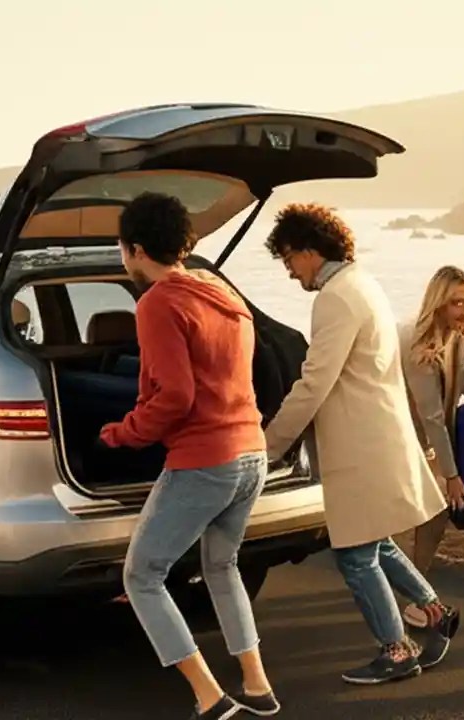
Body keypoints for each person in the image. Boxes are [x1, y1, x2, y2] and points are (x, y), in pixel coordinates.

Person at [261, 203, 460, 686]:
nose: (289, 271)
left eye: (289, 258)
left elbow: (315, 382)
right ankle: (434, 613)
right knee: (374, 543)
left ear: (310, 251)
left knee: (353, 553)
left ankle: (396, 651)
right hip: (380, 436)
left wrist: (269, 444)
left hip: (359, 445)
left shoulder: (334, 298)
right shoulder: (364, 283)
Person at [99, 192, 279, 720]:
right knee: (222, 564)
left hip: (206, 460)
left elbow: (175, 396)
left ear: (133, 248)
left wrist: (123, 434)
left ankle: (208, 696)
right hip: (251, 453)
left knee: (142, 576)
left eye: (121, 249)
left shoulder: (157, 303)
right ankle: (257, 686)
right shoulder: (224, 295)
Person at [396, 265, 464, 629]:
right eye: (455, 303)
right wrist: (451, 475)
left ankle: (415, 591)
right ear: (438, 304)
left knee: (433, 516)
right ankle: (414, 597)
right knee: (423, 514)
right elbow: (432, 416)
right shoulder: (420, 348)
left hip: (427, 444)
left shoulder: (458, 338)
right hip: (403, 441)